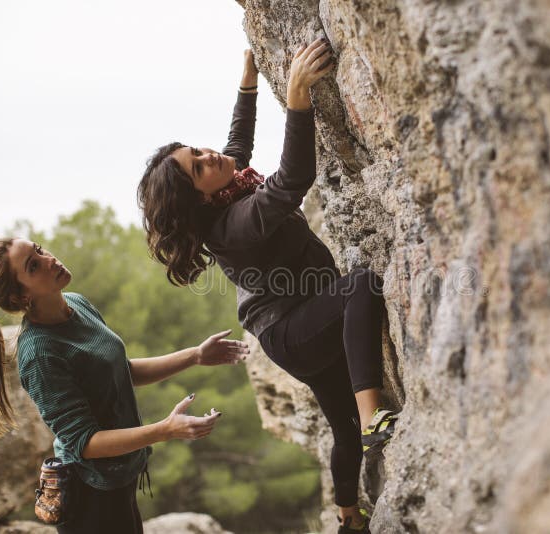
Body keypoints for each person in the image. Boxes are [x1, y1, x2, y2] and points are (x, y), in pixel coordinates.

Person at [137, 38, 398, 533]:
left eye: (196, 151)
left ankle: (348, 518)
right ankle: (373, 423)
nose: (209, 156)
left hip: (304, 320)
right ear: (197, 198)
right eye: (198, 167)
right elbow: (292, 180)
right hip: (290, 331)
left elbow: (235, 144)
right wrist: (296, 96)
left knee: (338, 428)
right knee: (363, 284)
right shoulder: (230, 226)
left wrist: (249, 77)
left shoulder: (225, 186)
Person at [0, 237, 250, 533]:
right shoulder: (40, 354)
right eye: (34, 266)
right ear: (19, 297)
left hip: (120, 479)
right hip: (90, 498)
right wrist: (165, 430)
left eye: (39, 249)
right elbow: (84, 444)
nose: (49, 259)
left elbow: (119, 372)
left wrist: (195, 356)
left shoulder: (77, 303)